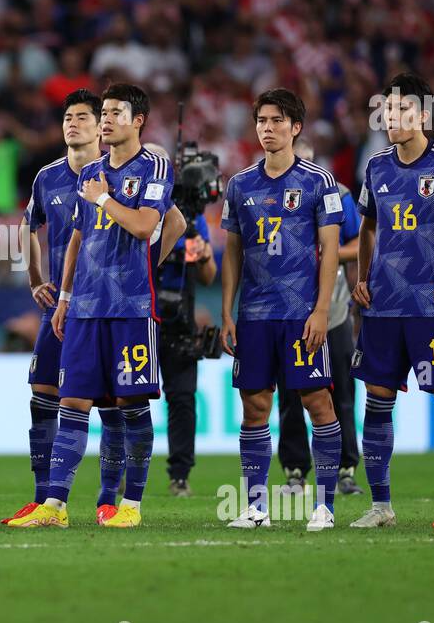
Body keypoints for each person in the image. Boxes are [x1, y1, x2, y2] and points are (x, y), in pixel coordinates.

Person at [9, 90, 186, 523]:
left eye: (113, 113)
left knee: (130, 405)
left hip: (129, 308)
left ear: (138, 119)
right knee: (73, 402)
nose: (105, 120)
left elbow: (148, 226)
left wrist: (106, 202)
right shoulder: (90, 172)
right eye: (102, 114)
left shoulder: (154, 166)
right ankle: (55, 505)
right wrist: (65, 298)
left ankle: (130, 505)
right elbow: (75, 237)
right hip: (84, 308)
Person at [349, 73, 434, 527]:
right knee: (377, 401)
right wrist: (363, 277)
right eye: (387, 111)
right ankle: (381, 506)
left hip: (433, 308)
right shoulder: (376, 167)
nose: (393, 119)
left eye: (403, 111)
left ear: (424, 115)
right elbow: (366, 227)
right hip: (383, 309)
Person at [220, 88, 345, 531]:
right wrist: (227, 312)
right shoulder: (239, 185)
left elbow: (330, 250)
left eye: (276, 121)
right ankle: (256, 507)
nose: (267, 129)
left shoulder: (318, 181)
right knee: (255, 407)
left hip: (300, 314)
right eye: (262, 121)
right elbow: (232, 252)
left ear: (295, 128)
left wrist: (320, 310)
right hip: (254, 315)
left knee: (318, 402)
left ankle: (325, 506)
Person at [276, 139, 362, 497]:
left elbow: (361, 242)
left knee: (341, 392)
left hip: (336, 310)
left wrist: (327, 253)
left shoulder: (338, 194)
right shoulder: (269, 192)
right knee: (291, 394)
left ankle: (345, 469)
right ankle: (295, 470)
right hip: (287, 311)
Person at [145, 142, 214, 497]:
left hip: (179, 320)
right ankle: (125, 472)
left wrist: (202, 255)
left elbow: (209, 274)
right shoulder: (132, 206)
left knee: (182, 399)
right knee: (129, 400)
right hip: (140, 316)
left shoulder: (190, 211)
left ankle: (180, 475)